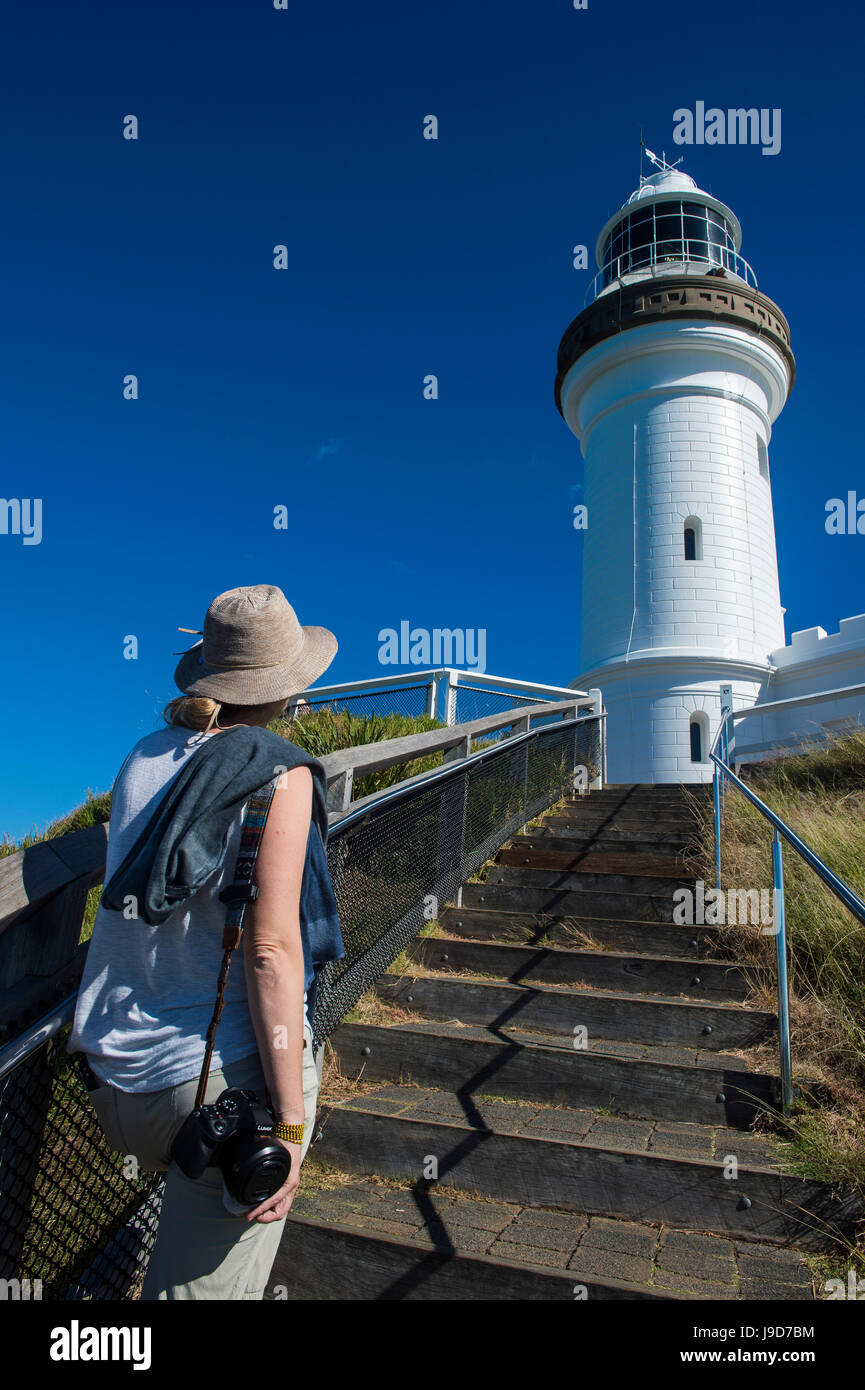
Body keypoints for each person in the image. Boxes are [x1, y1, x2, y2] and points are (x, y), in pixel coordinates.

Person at [68, 584, 343, 1300]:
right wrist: (288, 1120)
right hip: (220, 1084)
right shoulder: (280, 772)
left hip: (117, 1074)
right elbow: (271, 949)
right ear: (286, 685)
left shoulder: (142, 757)